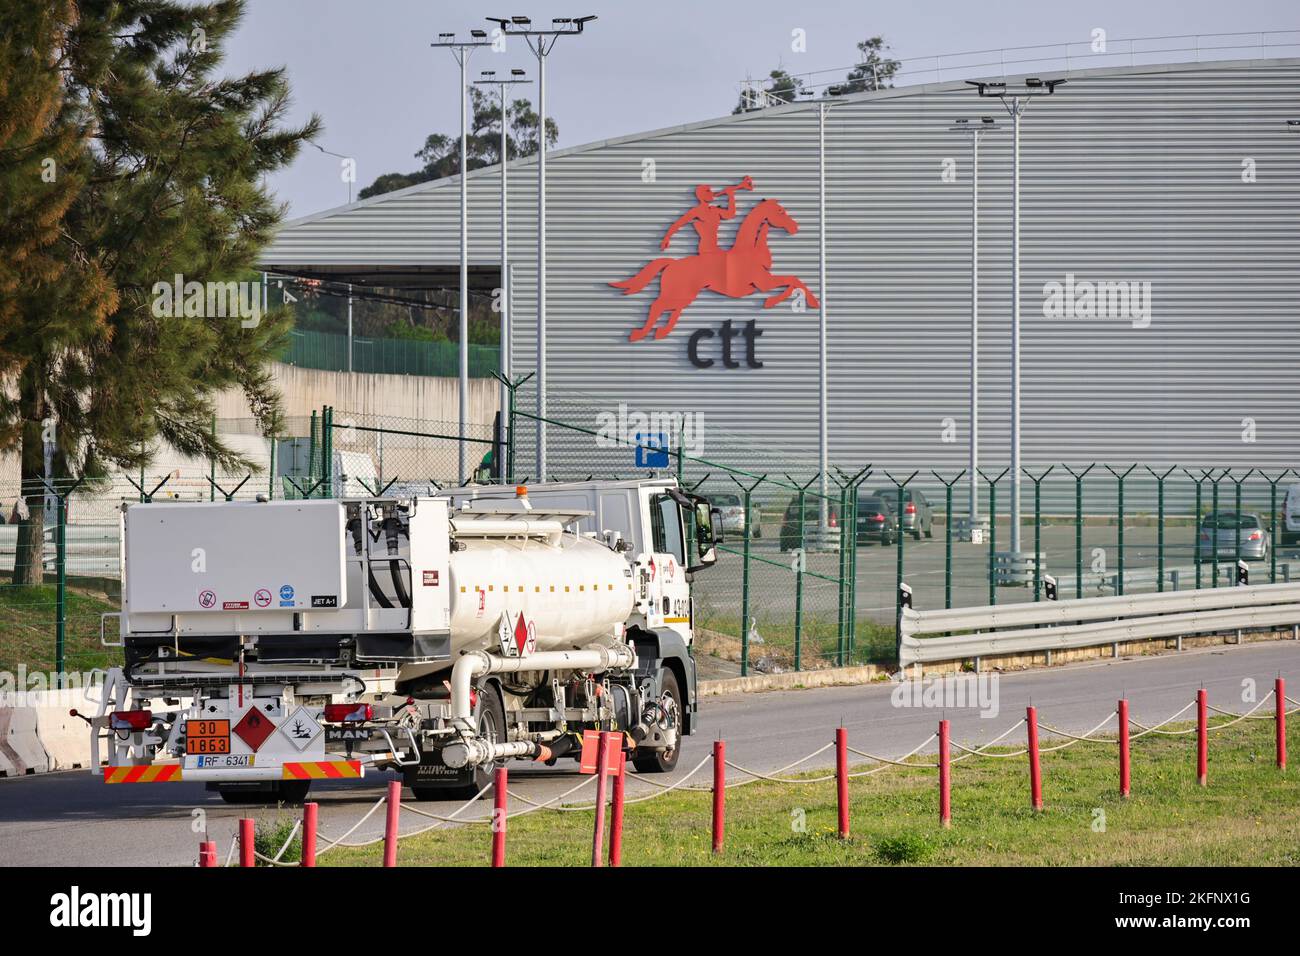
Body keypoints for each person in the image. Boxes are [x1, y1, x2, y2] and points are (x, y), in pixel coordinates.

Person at [660, 176, 754, 255]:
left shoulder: (714, 210)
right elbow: (678, 223)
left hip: (714, 247)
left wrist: (731, 196)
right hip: (706, 249)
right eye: (708, 191)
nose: (711, 193)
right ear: (702, 195)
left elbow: (730, 214)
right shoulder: (697, 211)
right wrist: (666, 238)